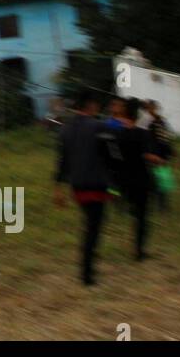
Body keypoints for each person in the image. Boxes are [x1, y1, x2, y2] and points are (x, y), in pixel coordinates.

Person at [55, 89, 116, 286]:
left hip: (77, 186)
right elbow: (112, 156)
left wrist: (58, 187)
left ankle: (88, 270)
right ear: (90, 105)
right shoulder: (99, 126)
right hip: (96, 185)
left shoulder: (65, 129)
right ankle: (87, 274)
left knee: (90, 225)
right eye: (96, 104)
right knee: (93, 228)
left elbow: (62, 161)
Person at [114, 99, 161, 261]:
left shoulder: (117, 135)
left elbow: (112, 158)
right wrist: (158, 159)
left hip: (124, 180)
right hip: (141, 179)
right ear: (137, 115)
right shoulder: (142, 134)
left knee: (134, 213)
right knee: (142, 218)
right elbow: (148, 156)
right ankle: (139, 251)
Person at [143, 100, 176, 211]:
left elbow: (165, 137)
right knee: (154, 179)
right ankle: (153, 203)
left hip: (162, 153)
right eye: (149, 108)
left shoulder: (161, 121)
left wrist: (170, 150)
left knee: (163, 179)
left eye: (153, 107)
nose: (151, 110)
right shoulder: (145, 122)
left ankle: (162, 205)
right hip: (152, 153)